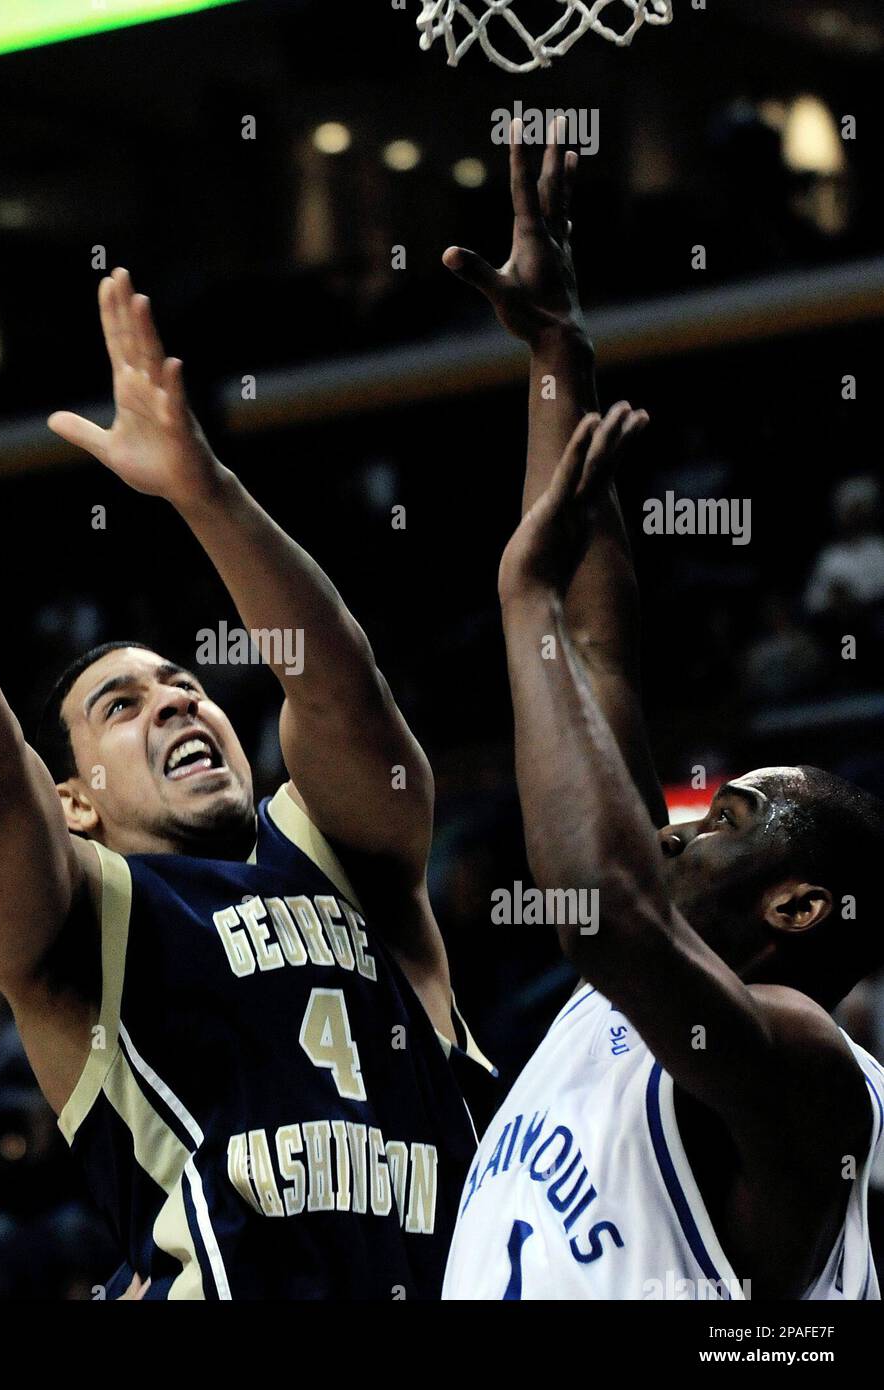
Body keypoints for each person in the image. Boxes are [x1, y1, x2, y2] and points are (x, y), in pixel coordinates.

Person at [0, 268, 492, 1299]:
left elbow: (341, 691)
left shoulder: (349, 863)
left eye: (185, 685)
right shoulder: (87, 922)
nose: (175, 703)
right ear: (74, 801)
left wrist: (204, 490)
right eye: (121, 704)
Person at [441, 120, 884, 1300]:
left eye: (728, 817)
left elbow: (603, 909)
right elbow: (598, 658)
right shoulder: (639, 1001)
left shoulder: (804, 1062)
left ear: (795, 903)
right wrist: (553, 351)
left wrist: (517, 600)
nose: (684, 820)